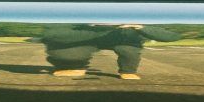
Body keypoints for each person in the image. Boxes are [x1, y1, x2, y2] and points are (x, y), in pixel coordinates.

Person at [37, 23, 178, 80]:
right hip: (88, 36)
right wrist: (98, 27)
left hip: (125, 40)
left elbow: (171, 36)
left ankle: (128, 70)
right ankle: (73, 66)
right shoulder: (79, 17)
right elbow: (52, 35)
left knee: (128, 50)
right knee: (66, 49)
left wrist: (140, 27)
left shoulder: (142, 15)